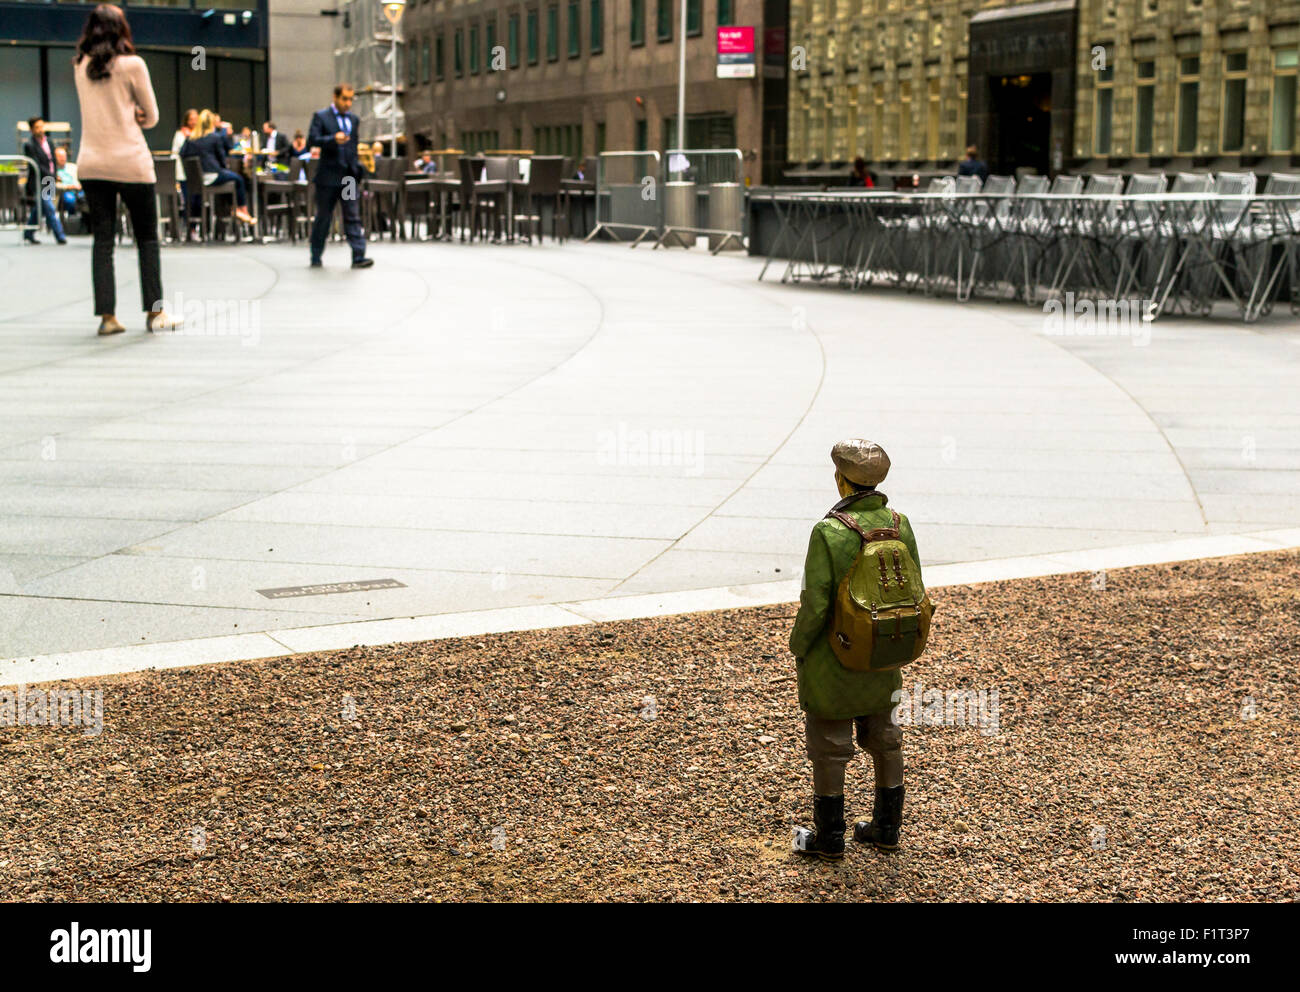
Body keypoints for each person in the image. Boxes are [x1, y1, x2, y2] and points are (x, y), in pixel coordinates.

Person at [788, 440, 922, 858]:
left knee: (829, 742)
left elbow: (816, 602)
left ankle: (829, 838)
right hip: (885, 646)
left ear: (840, 478)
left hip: (836, 654)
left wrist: (799, 644)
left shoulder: (828, 530)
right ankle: (886, 827)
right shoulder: (900, 523)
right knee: (885, 735)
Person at [72, 3, 179, 335]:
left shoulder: (80, 64)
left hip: (91, 162)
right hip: (131, 162)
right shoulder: (133, 64)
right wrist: (133, 113)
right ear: (122, 29)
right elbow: (152, 115)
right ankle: (155, 313)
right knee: (146, 238)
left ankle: (108, 318)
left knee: (103, 241)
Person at [306, 83, 372, 269]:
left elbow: (353, 146)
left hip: (349, 176)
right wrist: (332, 139)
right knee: (324, 217)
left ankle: (359, 256)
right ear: (335, 97)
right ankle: (316, 254)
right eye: (345, 99)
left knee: (352, 215)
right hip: (328, 177)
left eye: (351, 99)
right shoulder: (321, 117)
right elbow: (312, 139)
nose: (348, 103)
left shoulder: (354, 120)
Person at [181, 109, 256, 226]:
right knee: (238, 179)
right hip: (212, 175)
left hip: (195, 180)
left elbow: (182, 155)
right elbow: (222, 159)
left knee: (228, 181)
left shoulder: (190, 139)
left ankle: (233, 209)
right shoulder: (214, 137)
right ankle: (242, 210)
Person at [21, 117, 67, 245]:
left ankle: (28, 233)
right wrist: (51, 175)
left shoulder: (50, 142)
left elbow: (53, 161)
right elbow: (35, 164)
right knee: (49, 207)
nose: (40, 129)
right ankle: (60, 235)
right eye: (37, 127)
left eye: (42, 126)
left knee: (40, 208)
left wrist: (54, 174)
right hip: (38, 181)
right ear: (31, 130)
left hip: (49, 179)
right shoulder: (29, 145)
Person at [53, 146, 89, 224]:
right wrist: (68, 187)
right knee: (70, 200)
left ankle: (86, 222)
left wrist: (79, 185)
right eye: (60, 156)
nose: (62, 158)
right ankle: (72, 221)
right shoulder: (52, 170)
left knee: (88, 198)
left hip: (78, 190)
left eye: (64, 156)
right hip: (63, 192)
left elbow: (81, 179)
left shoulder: (73, 167)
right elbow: (52, 185)